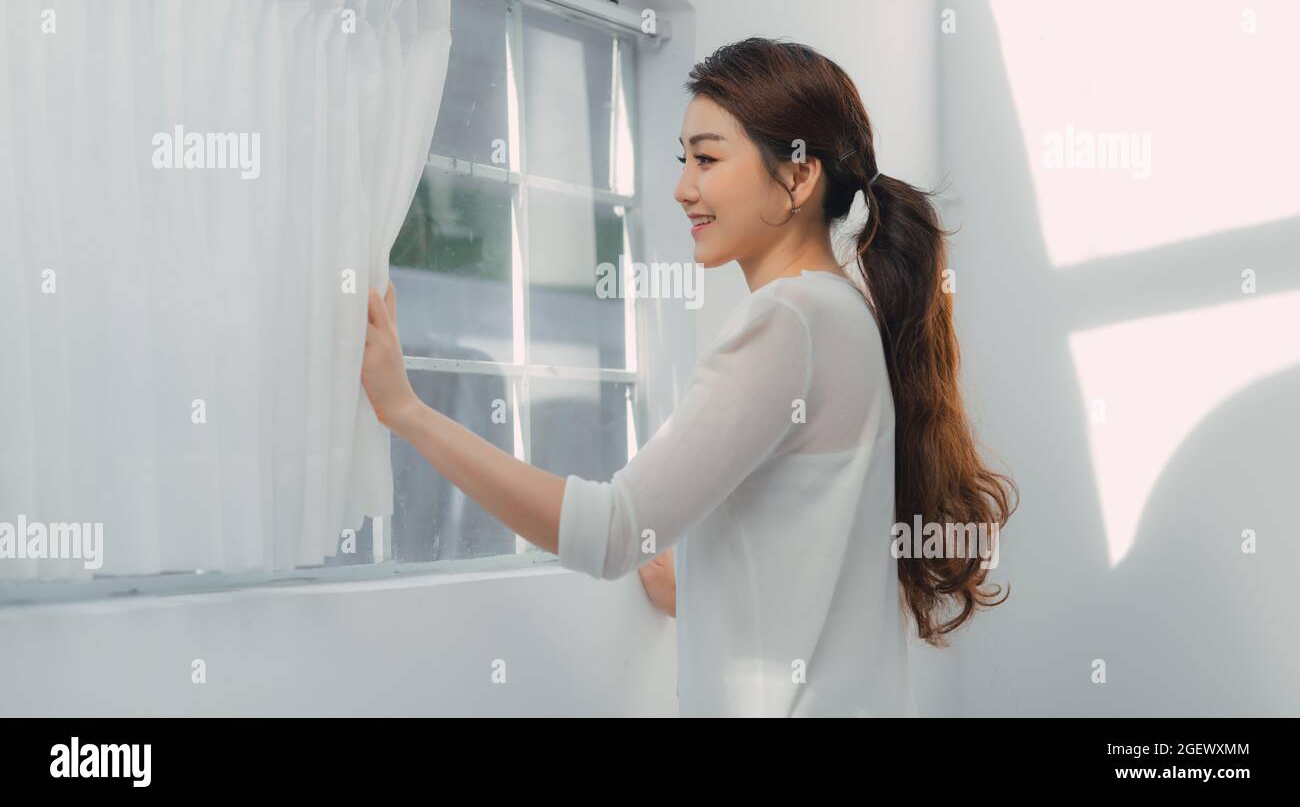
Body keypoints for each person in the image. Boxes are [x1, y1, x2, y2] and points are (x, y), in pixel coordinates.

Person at [361, 36, 1019, 716]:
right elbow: (810, 544)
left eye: (707, 159)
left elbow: (613, 531)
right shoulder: (843, 313)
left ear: (798, 177)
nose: (682, 189)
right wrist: (702, 589)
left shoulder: (790, 320)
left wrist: (406, 411)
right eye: (685, 160)